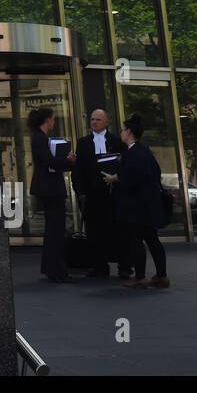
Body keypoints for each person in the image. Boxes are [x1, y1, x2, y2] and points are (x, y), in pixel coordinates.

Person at [104, 115, 170, 289]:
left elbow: (130, 177)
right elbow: (154, 173)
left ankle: (140, 277)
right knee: (152, 240)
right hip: (149, 204)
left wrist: (114, 178)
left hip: (136, 207)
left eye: (123, 130)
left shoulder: (133, 154)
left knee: (136, 240)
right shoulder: (145, 151)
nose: (121, 133)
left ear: (129, 132)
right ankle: (161, 275)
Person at [72, 108, 127, 277]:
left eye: (97, 119)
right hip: (92, 193)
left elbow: (124, 165)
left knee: (117, 230)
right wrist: (80, 191)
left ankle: (124, 266)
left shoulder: (116, 141)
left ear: (106, 122)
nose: (94, 122)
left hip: (112, 193)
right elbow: (78, 169)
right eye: (92, 119)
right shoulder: (83, 142)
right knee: (94, 231)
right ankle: (99, 266)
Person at [28, 107, 77, 283]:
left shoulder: (40, 138)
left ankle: (51, 268)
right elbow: (50, 161)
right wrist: (68, 161)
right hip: (50, 188)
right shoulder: (40, 139)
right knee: (56, 229)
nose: (54, 122)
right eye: (53, 119)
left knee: (53, 229)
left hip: (47, 187)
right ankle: (56, 269)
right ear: (47, 120)